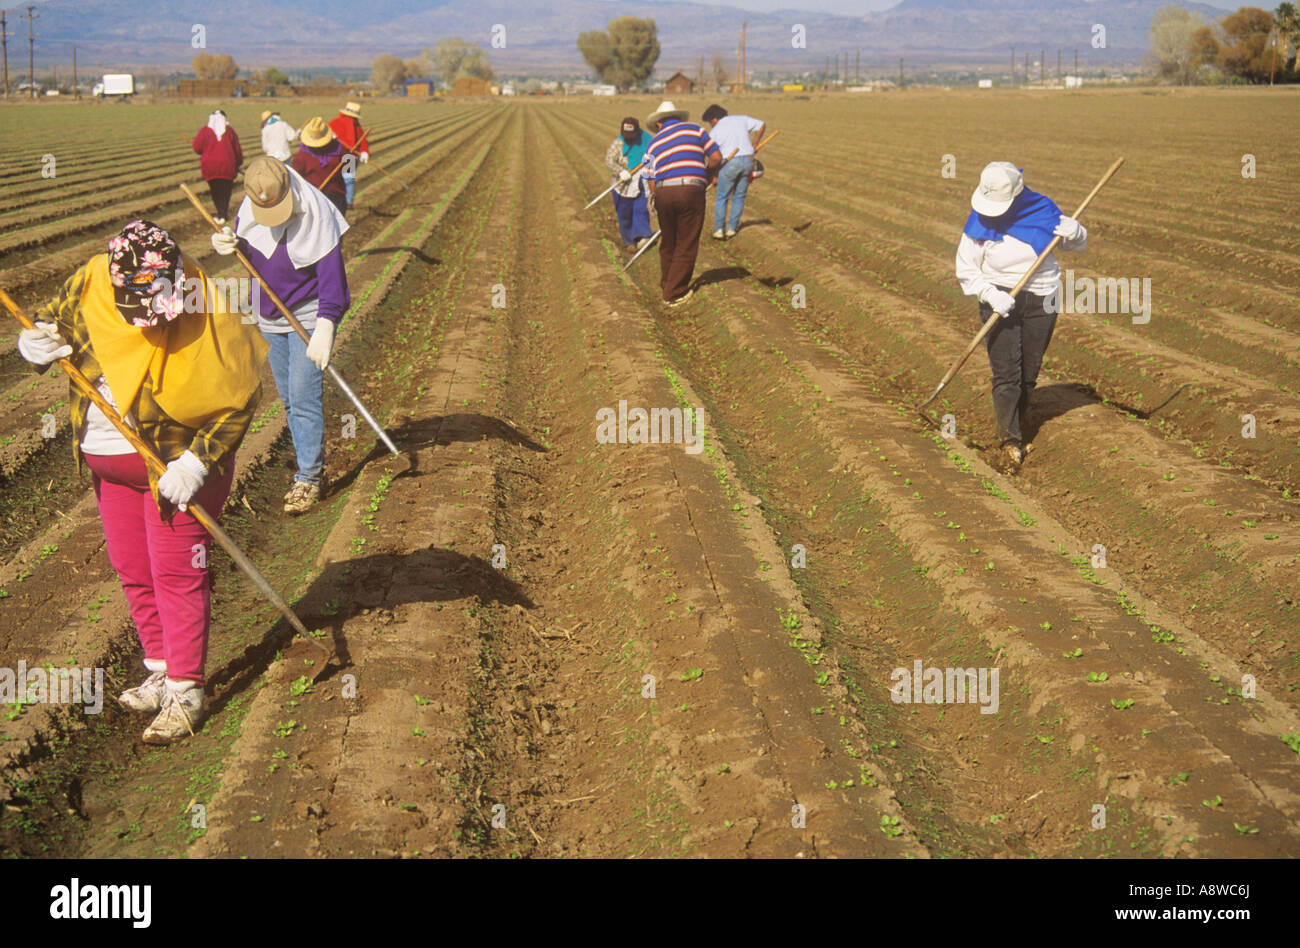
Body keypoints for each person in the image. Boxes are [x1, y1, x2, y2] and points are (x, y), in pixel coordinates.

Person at [15, 220, 265, 743]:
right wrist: (35, 342)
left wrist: (196, 465)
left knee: (177, 573)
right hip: (109, 466)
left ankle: (186, 689)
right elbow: (50, 321)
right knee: (133, 568)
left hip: (175, 470)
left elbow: (240, 397)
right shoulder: (90, 286)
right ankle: (160, 667)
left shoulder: (208, 306)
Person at [210, 157, 350, 514]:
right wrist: (232, 244)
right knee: (288, 399)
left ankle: (309, 478)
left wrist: (326, 325)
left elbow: (333, 281)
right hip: (269, 318)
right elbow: (254, 254)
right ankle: (308, 461)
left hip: (307, 317)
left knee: (303, 399)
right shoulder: (252, 202)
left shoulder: (317, 214)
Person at [955, 161, 1088, 467]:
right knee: (1007, 374)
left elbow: (1074, 247)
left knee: (1029, 372)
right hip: (999, 297)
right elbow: (966, 268)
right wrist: (990, 294)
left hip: (1043, 298)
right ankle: (1009, 439)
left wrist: (1076, 234)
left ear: (1017, 195)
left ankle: (1021, 424)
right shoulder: (979, 222)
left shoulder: (1043, 210)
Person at [643, 101, 721, 307]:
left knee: (669, 241)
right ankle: (674, 294)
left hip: (662, 192)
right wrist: (706, 175)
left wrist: (656, 198)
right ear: (677, 118)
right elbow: (716, 156)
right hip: (690, 190)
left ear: (659, 123)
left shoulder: (653, 143)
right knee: (686, 242)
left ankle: (666, 284)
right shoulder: (696, 129)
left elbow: (649, 177)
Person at [701, 105, 765, 240]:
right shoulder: (742, 119)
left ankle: (719, 229)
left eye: (710, 122)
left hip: (729, 162)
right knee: (739, 196)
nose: (710, 125)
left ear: (714, 119)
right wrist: (755, 143)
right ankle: (732, 228)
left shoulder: (716, 131)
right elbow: (761, 125)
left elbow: (712, 155)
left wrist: (713, 175)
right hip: (748, 161)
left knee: (722, 197)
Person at [604, 117, 654, 253]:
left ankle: (642, 236)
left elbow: (653, 158)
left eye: (632, 135)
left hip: (642, 181)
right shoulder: (619, 142)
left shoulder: (648, 140)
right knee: (624, 214)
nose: (629, 138)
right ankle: (629, 241)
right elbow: (609, 160)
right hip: (622, 186)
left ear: (638, 132)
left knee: (641, 209)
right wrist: (620, 172)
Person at [192, 109, 243, 226]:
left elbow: (197, 148)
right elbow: (237, 150)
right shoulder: (230, 132)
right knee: (225, 191)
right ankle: (223, 214)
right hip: (227, 166)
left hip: (210, 167)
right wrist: (238, 163)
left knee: (215, 191)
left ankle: (220, 214)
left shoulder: (205, 131)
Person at [291, 116, 348, 216]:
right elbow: (349, 169)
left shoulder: (303, 154)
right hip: (321, 197)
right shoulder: (340, 148)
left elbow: (294, 176)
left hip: (320, 198)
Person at [328, 101, 369, 211]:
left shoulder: (357, 126)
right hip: (335, 156)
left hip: (350, 157)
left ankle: (348, 202)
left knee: (348, 179)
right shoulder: (334, 123)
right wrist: (330, 137)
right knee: (337, 179)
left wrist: (364, 151)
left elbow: (363, 139)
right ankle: (335, 201)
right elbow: (326, 137)